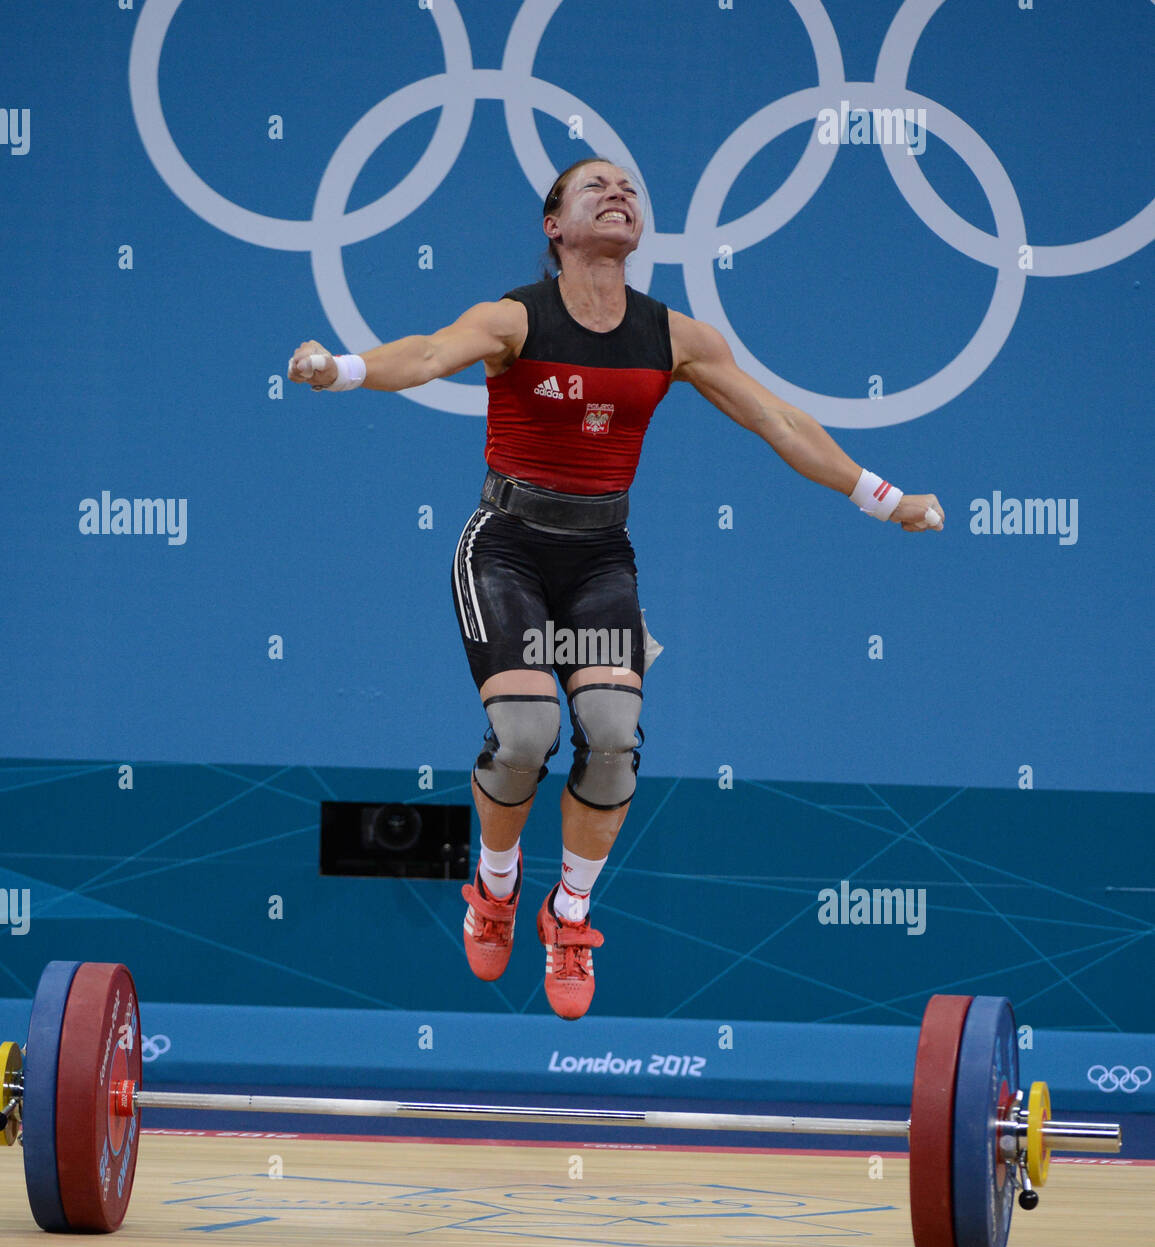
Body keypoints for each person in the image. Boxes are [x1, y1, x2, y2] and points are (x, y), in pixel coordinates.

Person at [289, 157, 944, 1021]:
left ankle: (570, 914)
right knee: (524, 736)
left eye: (630, 185)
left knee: (609, 736)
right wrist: (338, 368)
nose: (618, 191)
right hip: (507, 548)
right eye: (591, 185)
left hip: (599, 557)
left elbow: (778, 421)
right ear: (553, 226)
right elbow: (427, 353)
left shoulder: (676, 337)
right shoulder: (513, 318)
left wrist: (883, 497)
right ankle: (493, 889)